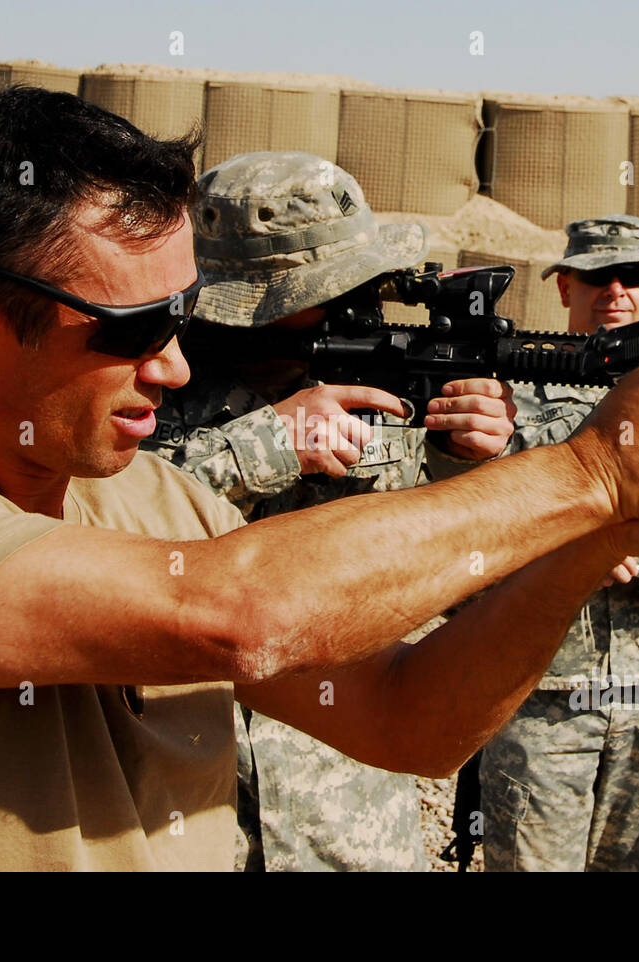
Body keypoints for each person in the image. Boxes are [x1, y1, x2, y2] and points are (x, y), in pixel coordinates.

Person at [0, 89, 639, 871]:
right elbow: (238, 612)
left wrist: (600, 533)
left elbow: (410, 720)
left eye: (182, 321)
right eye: (131, 328)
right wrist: (587, 470)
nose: (174, 364)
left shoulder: (163, 503)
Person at [141, 151, 517, 871]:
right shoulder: (145, 384)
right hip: (181, 809)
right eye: (337, 289)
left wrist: (464, 466)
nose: (364, 302)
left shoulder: (382, 383)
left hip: (348, 816)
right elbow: (90, 529)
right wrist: (261, 447)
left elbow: (459, 599)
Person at [480, 214, 639, 872]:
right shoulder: (506, 401)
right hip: (541, 695)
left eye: (634, 278)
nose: (616, 291)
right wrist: (566, 557)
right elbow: (473, 532)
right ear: (566, 286)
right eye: (598, 277)